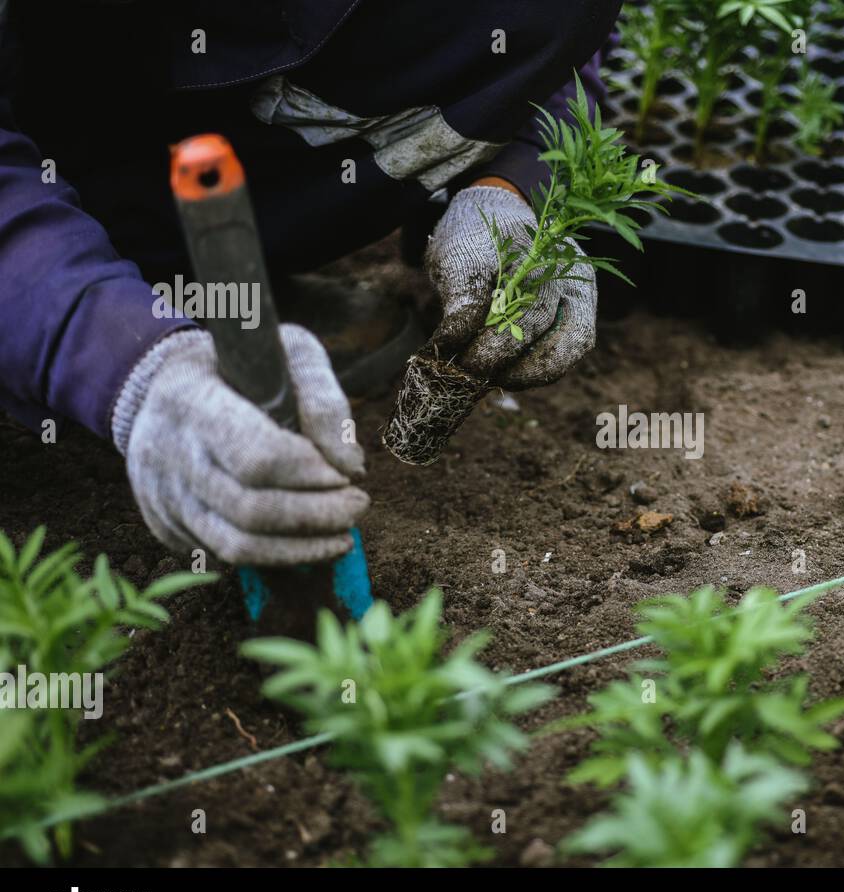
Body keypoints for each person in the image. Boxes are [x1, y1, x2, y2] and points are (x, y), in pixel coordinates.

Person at [0, 0, 620, 565]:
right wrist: (116, 355)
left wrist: (511, 183)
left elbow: (553, 39)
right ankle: (106, 281)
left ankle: (190, 279)